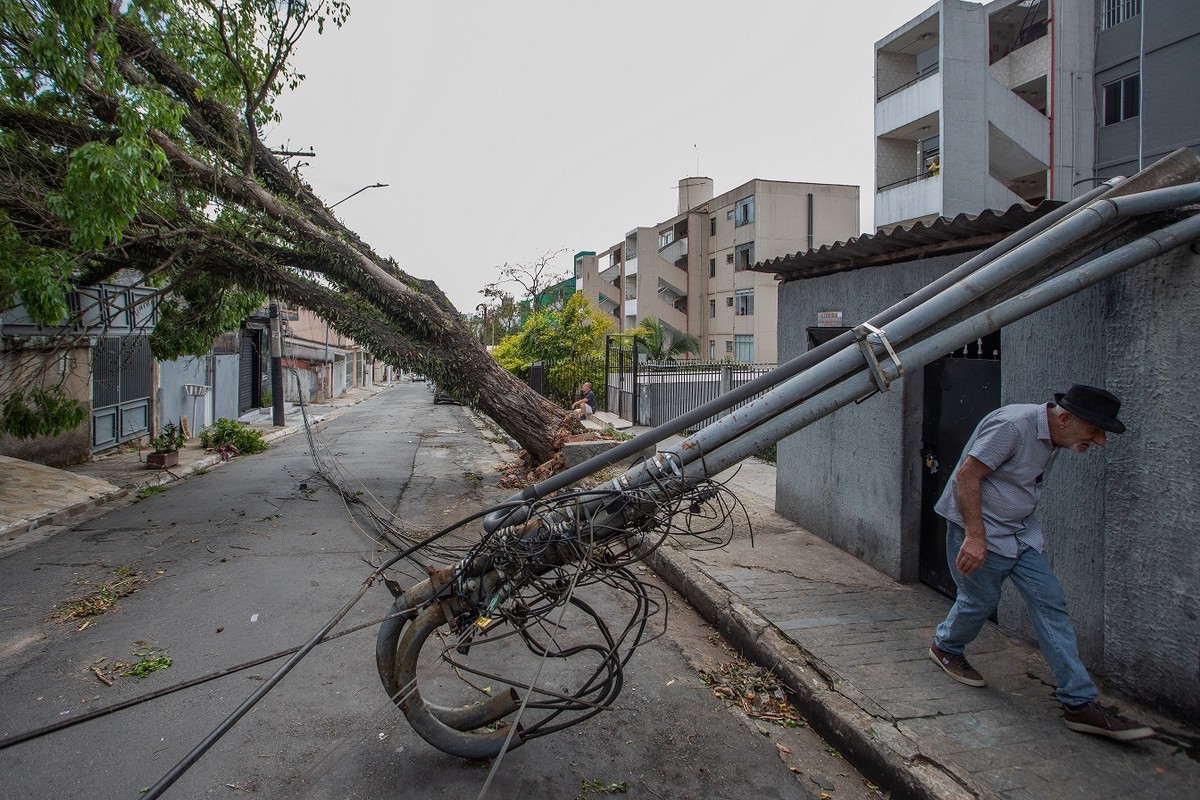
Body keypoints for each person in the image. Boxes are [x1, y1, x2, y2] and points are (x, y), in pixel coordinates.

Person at [928, 385, 1154, 742]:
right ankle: (946, 647)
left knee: (1051, 605)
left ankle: (1079, 703)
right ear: (1064, 418)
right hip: (980, 531)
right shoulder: (1013, 426)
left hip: (1020, 535)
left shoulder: (1055, 434)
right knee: (979, 602)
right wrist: (975, 537)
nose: (1100, 441)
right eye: (1095, 431)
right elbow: (966, 476)